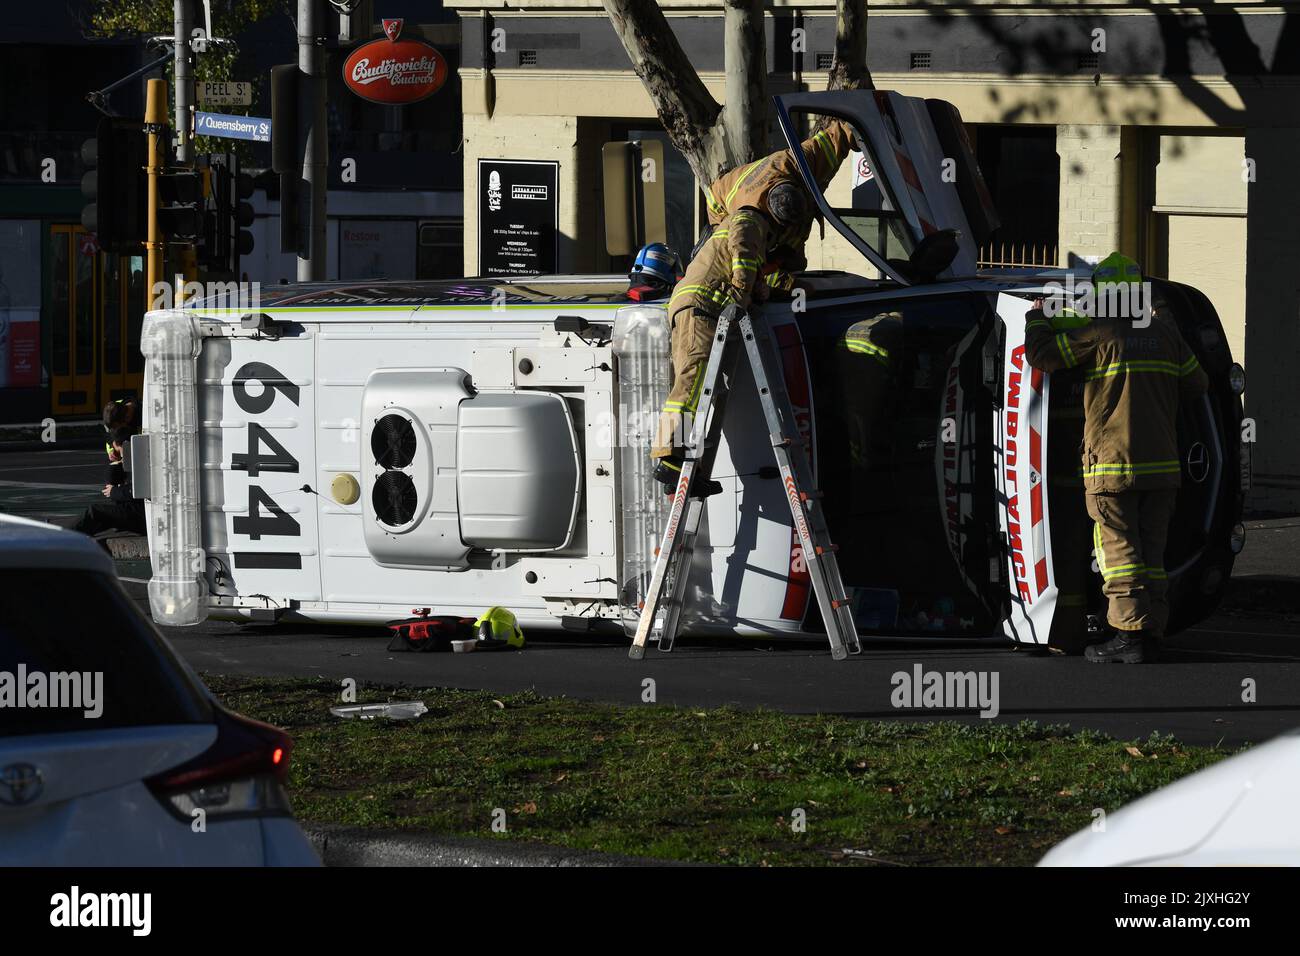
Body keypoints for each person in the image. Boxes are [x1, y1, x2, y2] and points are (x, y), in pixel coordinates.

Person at [1024, 253, 1208, 663]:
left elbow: (1044, 357)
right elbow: (1198, 384)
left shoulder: (1099, 333)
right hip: (1163, 469)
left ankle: (1128, 637)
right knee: (1152, 556)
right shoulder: (1164, 334)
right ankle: (1152, 632)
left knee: (1120, 553)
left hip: (1114, 467)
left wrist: (1036, 317)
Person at [651, 206, 775, 488]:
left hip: (701, 310)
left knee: (706, 392)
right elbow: (743, 261)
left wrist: (759, 291)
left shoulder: (728, 237)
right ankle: (669, 456)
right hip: (702, 310)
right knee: (692, 382)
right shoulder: (749, 218)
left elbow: (748, 272)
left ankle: (689, 476)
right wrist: (741, 297)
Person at [700, 117, 856, 291]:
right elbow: (752, 263)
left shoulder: (796, 162)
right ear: (771, 214)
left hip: (766, 195)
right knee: (743, 268)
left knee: (794, 261)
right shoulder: (749, 216)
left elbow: (837, 135)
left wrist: (864, 132)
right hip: (721, 210)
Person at [74, 427, 146, 538]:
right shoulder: (130, 458)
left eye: (116, 447)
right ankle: (74, 536)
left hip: (140, 515)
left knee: (94, 511)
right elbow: (111, 480)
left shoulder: (140, 458)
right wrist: (116, 462)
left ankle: (65, 536)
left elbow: (138, 489)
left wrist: (114, 492)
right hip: (135, 511)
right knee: (100, 518)